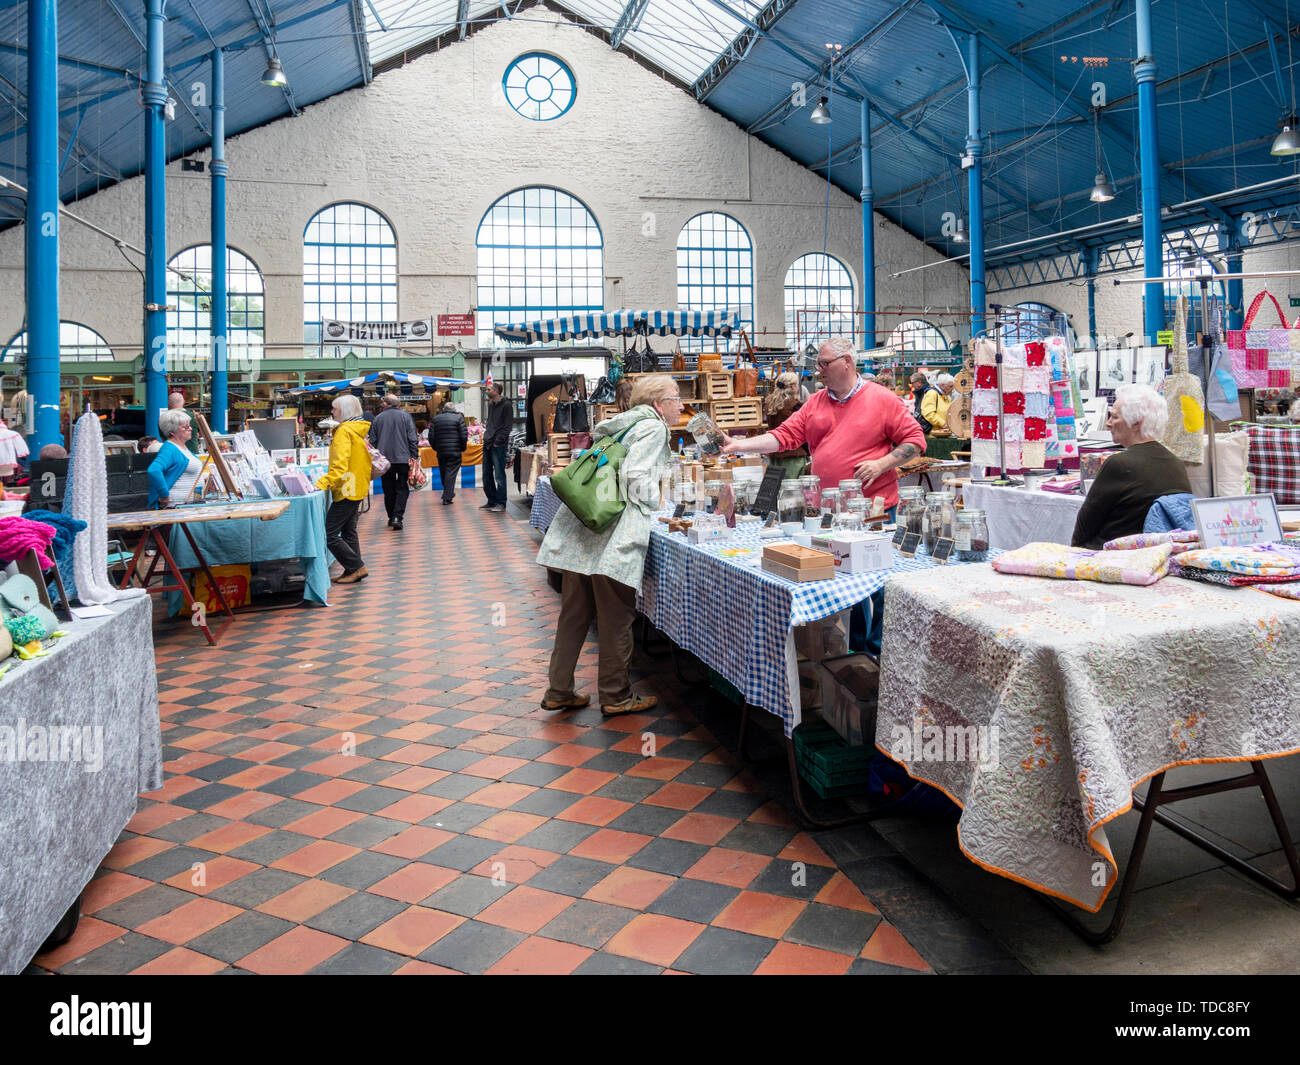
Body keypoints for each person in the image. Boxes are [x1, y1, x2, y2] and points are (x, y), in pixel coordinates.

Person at [724, 337, 926, 656]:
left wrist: (883, 463)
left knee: (880, 583)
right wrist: (740, 446)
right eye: (817, 364)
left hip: (875, 510)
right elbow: (783, 437)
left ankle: (876, 651)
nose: (818, 371)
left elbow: (915, 440)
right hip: (831, 514)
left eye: (824, 364)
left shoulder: (883, 399)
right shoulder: (816, 403)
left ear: (847, 362)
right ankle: (858, 651)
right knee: (849, 581)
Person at [536, 374, 680, 717]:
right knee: (616, 616)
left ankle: (559, 690)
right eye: (675, 397)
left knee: (574, 615)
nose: (681, 404)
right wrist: (656, 504)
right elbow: (634, 475)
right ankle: (616, 696)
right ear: (659, 404)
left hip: (583, 531)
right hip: (614, 536)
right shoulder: (654, 427)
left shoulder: (619, 425)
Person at [1071, 384, 1192, 550]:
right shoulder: (1176, 463)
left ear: (1136, 422)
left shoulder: (1119, 464)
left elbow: (1084, 529)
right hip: (1157, 553)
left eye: (1114, 417)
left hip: (1113, 555)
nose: (1108, 423)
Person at [316, 394, 372, 583]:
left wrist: (323, 482)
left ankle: (356, 566)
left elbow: (340, 465)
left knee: (330, 533)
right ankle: (352, 570)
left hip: (346, 487)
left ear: (344, 411)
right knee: (349, 530)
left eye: (335, 408)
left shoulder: (343, 431)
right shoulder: (357, 429)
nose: (332, 412)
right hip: (356, 484)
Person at [368, 393, 419, 530]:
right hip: (403, 458)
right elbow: (412, 438)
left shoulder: (378, 418)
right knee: (402, 487)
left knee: (388, 487)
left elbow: (372, 442)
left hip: (385, 460)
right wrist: (414, 456)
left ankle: (392, 516)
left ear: (386, 404)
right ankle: (397, 516)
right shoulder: (406, 416)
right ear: (398, 404)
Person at [147, 409, 205, 508]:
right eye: (185, 427)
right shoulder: (170, 448)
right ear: (172, 432)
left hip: (188, 506)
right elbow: (154, 470)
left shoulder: (182, 447)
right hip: (177, 507)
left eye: (189, 426)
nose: (190, 429)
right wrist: (164, 495)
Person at [764, 371, 809, 478]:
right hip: (793, 456)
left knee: (777, 488)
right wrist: (809, 451)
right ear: (793, 387)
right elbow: (802, 432)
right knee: (791, 490)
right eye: (797, 384)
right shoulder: (795, 406)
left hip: (775, 454)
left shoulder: (770, 404)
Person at [480, 383, 513, 513]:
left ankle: (501, 502)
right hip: (488, 442)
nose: (486, 391)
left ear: (496, 391)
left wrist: (498, 441)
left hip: (497, 445)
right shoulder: (491, 405)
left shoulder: (506, 405)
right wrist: (487, 437)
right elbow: (490, 423)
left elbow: (507, 426)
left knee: (499, 474)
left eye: (489, 389)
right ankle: (491, 500)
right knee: (486, 474)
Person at [430, 399, 468, 504]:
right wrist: (462, 448)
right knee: (450, 473)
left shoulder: (436, 419)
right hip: (455, 451)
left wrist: (435, 447)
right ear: (454, 409)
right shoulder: (459, 419)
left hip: (441, 451)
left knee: (444, 472)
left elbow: (431, 437)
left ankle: (448, 494)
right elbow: (464, 435)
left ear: (443, 409)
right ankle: (447, 496)